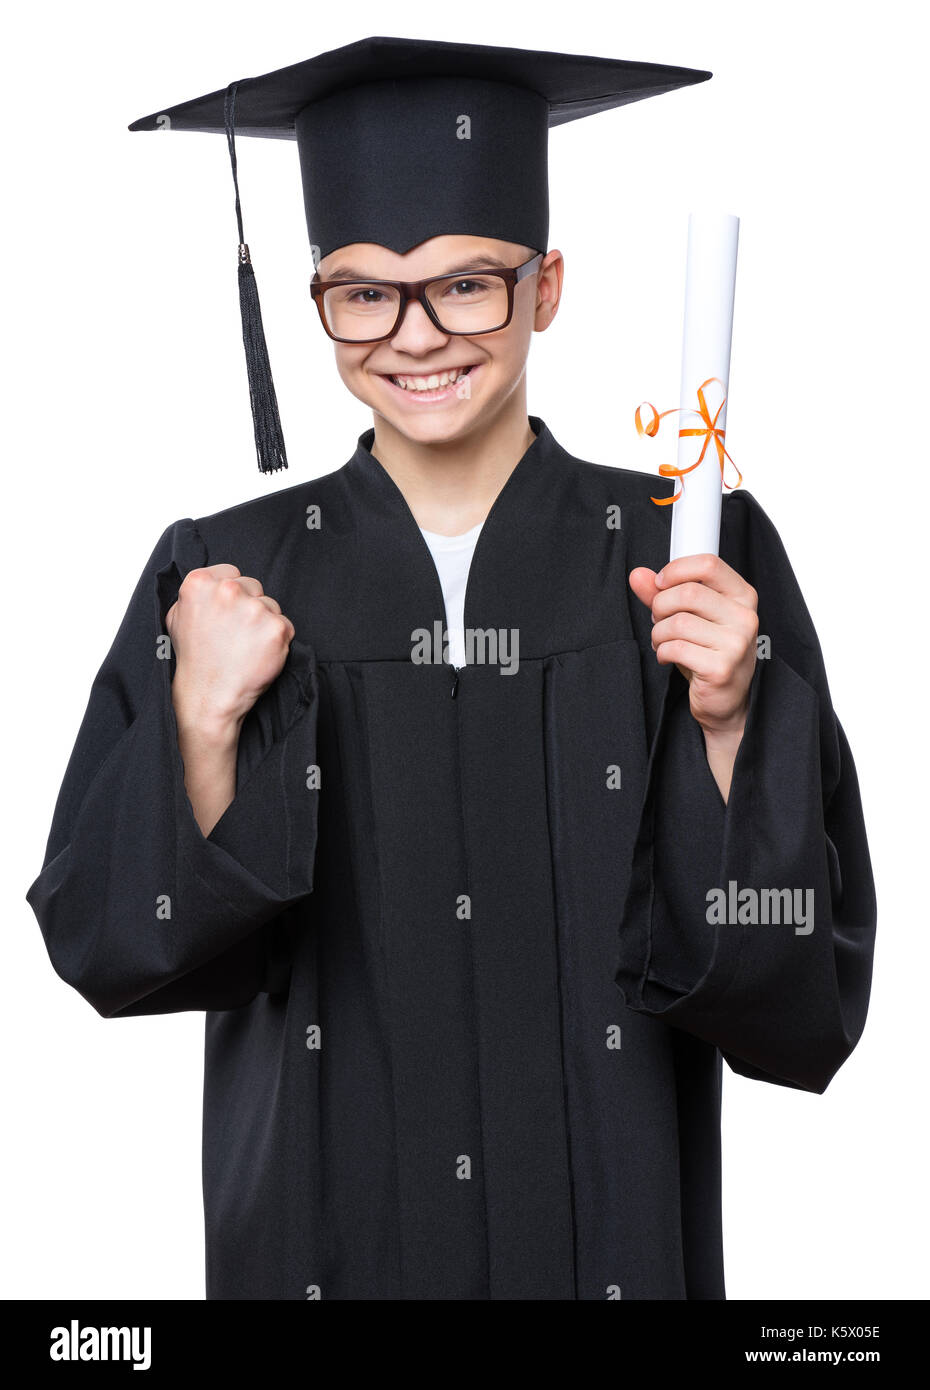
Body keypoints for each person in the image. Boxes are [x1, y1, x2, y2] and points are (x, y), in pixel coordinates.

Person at [26, 36, 876, 1300]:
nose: (415, 335)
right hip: (320, 1249)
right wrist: (200, 721)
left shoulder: (691, 558)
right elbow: (108, 947)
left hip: (612, 1256)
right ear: (319, 298)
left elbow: (800, 996)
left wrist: (727, 724)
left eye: (468, 285)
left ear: (546, 287)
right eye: (365, 293)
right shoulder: (223, 575)